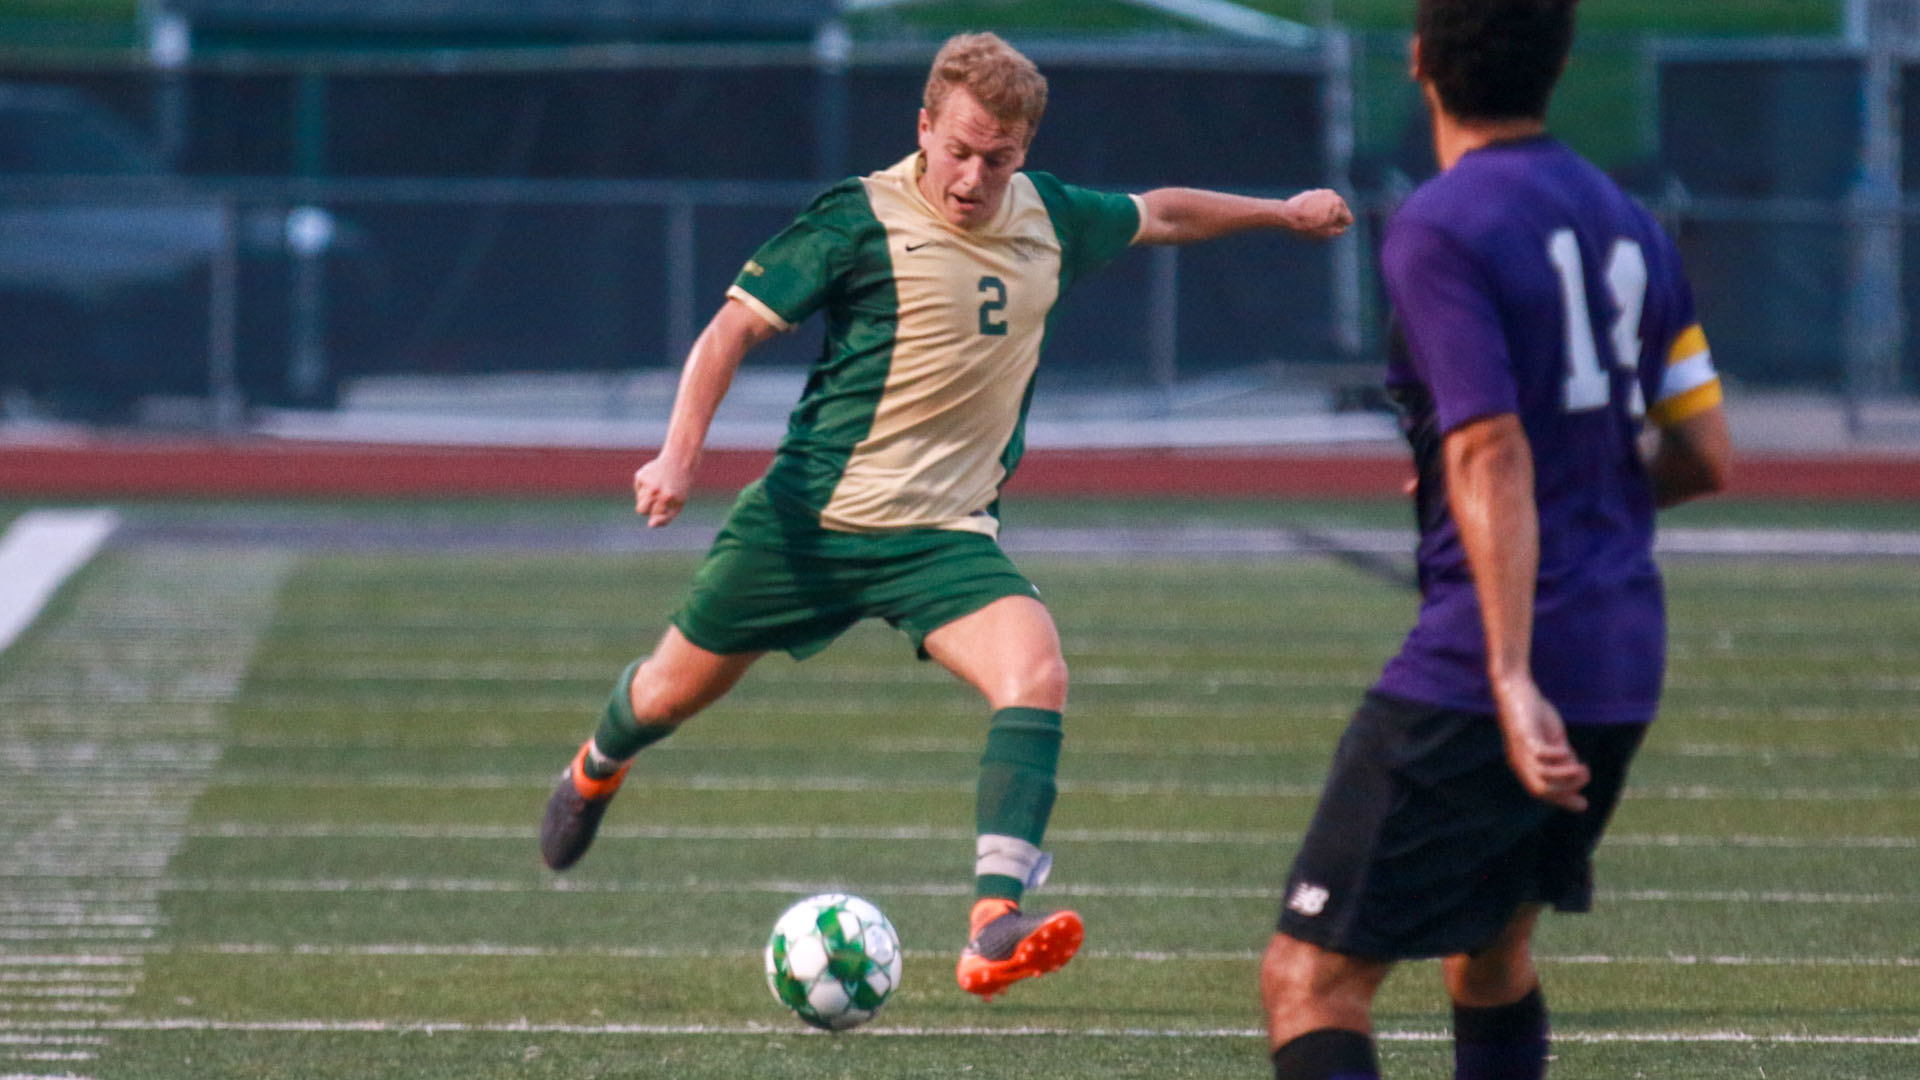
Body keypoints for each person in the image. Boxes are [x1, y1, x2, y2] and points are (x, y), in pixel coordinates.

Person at [540, 30, 1353, 1000]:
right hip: (808, 525)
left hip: (944, 538)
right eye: (958, 149)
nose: (972, 177)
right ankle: (595, 765)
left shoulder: (1049, 218)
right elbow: (728, 332)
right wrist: (678, 455)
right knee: (666, 697)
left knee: (1037, 669)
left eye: (997, 158)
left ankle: (992, 919)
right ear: (923, 126)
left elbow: (1161, 214)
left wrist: (1281, 213)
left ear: (1024, 153)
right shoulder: (858, 219)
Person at [1259, 2, 1732, 1077]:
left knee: (1310, 980)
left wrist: (1512, 674)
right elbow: (1705, 453)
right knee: (1490, 951)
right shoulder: (1630, 222)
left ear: (1419, 61)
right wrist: (1587, 503)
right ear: (1559, 64)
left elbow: (1490, 452)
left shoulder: (1440, 222)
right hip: (1622, 655)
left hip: (1488, 661)